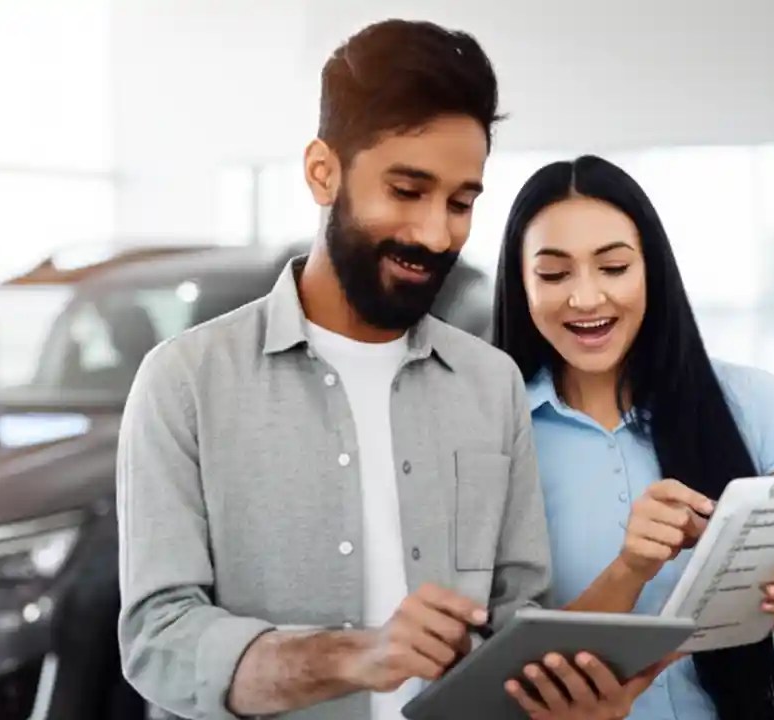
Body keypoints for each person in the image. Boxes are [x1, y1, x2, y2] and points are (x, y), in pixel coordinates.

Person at [117, 23, 668, 720]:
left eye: (461, 203)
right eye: (407, 191)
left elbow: (516, 618)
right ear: (324, 172)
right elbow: (159, 642)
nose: (437, 234)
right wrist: (353, 656)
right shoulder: (186, 382)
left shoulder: (490, 385)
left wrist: (564, 695)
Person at [492, 155, 774, 720]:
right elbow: (519, 671)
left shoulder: (755, 405)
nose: (586, 299)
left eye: (613, 267)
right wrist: (631, 567)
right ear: (521, 284)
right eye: (555, 274)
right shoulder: (496, 429)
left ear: (651, 271)